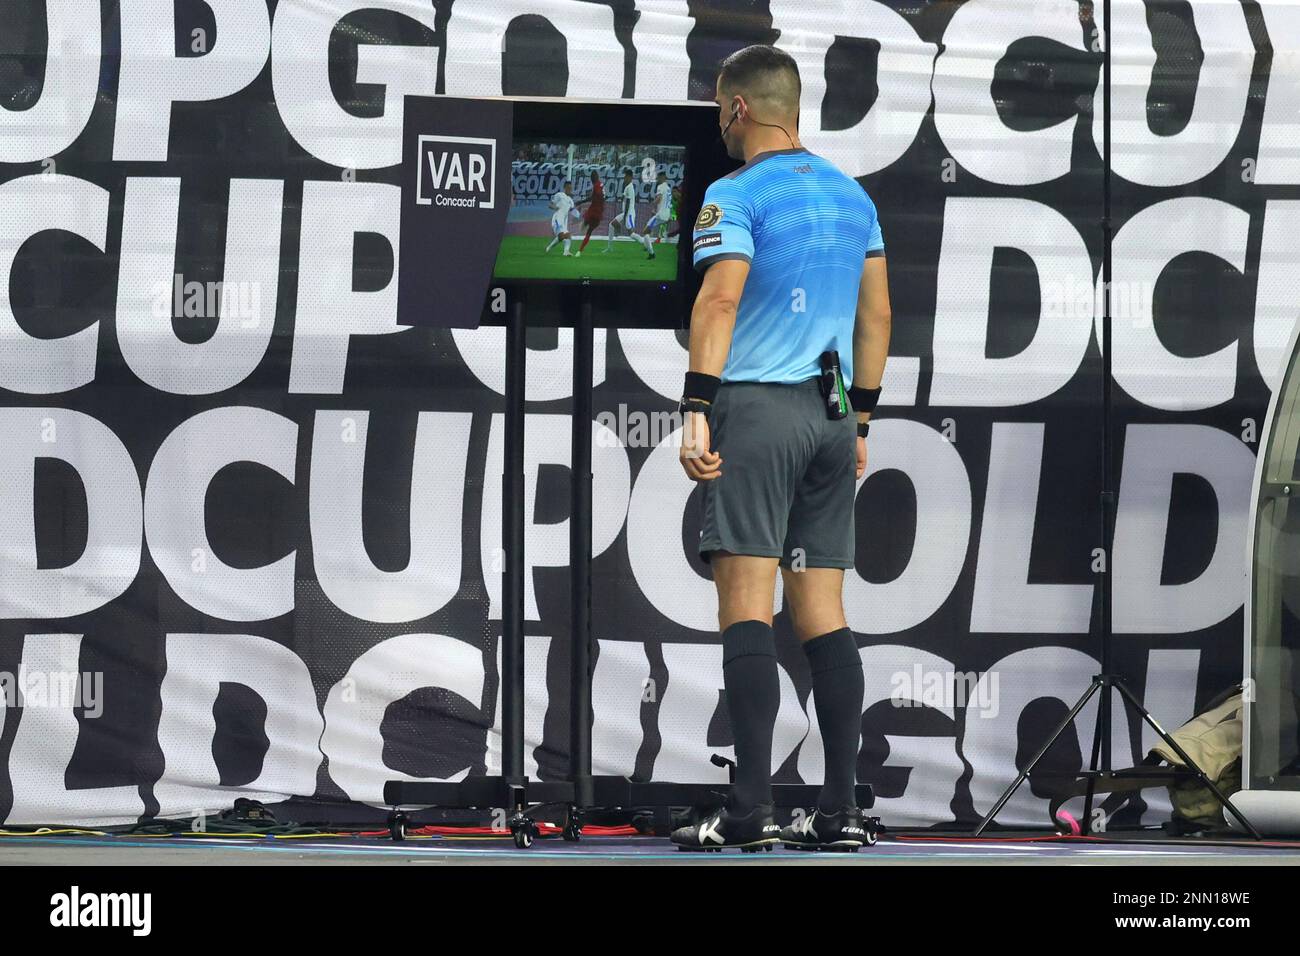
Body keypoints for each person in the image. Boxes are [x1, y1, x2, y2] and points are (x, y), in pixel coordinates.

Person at [671, 44, 891, 852]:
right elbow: (877, 321)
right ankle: (838, 813)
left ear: (736, 109)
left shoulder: (733, 193)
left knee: (746, 604)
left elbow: (719, 298)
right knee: (824, 611)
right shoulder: (851, 195)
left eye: (718, 111)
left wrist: (696, 406)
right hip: (834, 417)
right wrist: (859, 424)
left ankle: (749, 811)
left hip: (758, 410)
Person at [604, 169, 655, 258]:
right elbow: (624, 199)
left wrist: (626, 216)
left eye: (626, 177)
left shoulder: (629, 187)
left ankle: (646, 243)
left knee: (631, 234)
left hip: (629, 213)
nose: (624, 178)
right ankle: (609, 247)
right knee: (611, 224)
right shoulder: (628, 187)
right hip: (626, 213)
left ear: (630, 177)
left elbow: (628, 202)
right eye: (624, 176)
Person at [573, 169, 605, 256]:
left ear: (593, 178)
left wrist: (581, 202)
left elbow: (594, 196)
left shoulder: (596, 186)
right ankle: (579, 251)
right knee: (589, 232)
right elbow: (600, 196)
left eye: (592, 178)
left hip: (594, 211)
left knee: (585, 222)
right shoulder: (601, 184)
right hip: (599, 213)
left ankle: (582, 224)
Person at [544, 180, 577, 256]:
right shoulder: (559, 195)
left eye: (571, 188)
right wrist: (555, 207)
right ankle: (549, 247)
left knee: (568, 236)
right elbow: (550, 205)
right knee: (561, 236)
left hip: (563, 221)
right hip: (557, 219)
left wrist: (579, 215)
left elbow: (572, 211)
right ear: (564, 188)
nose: (570, 190)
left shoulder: (570, 201)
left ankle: (566, 252)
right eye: (568, 188)